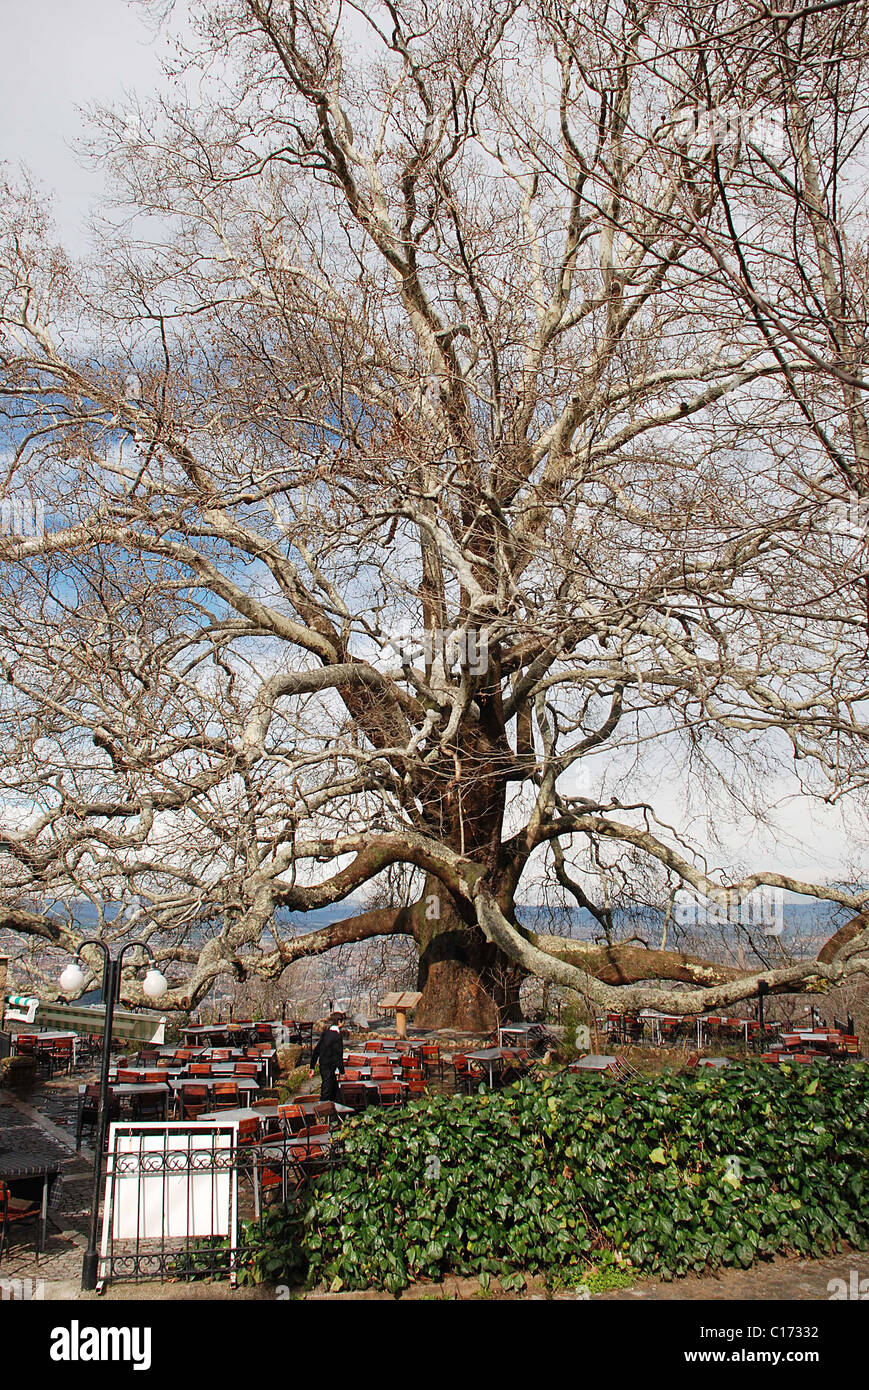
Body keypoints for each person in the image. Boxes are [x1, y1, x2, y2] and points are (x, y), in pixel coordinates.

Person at [309, 1012, 345, 1102]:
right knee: (326, 1091)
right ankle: (322, 1112)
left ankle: (338, 1112)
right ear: (340, 1022)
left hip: (323, 1065)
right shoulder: (337, 1036)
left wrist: (312, 1067)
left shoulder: (325, 1034)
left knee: (335, 1091)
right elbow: (338, 1055)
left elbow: (317, 1050)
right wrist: (342, 1072)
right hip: (330, 1067)